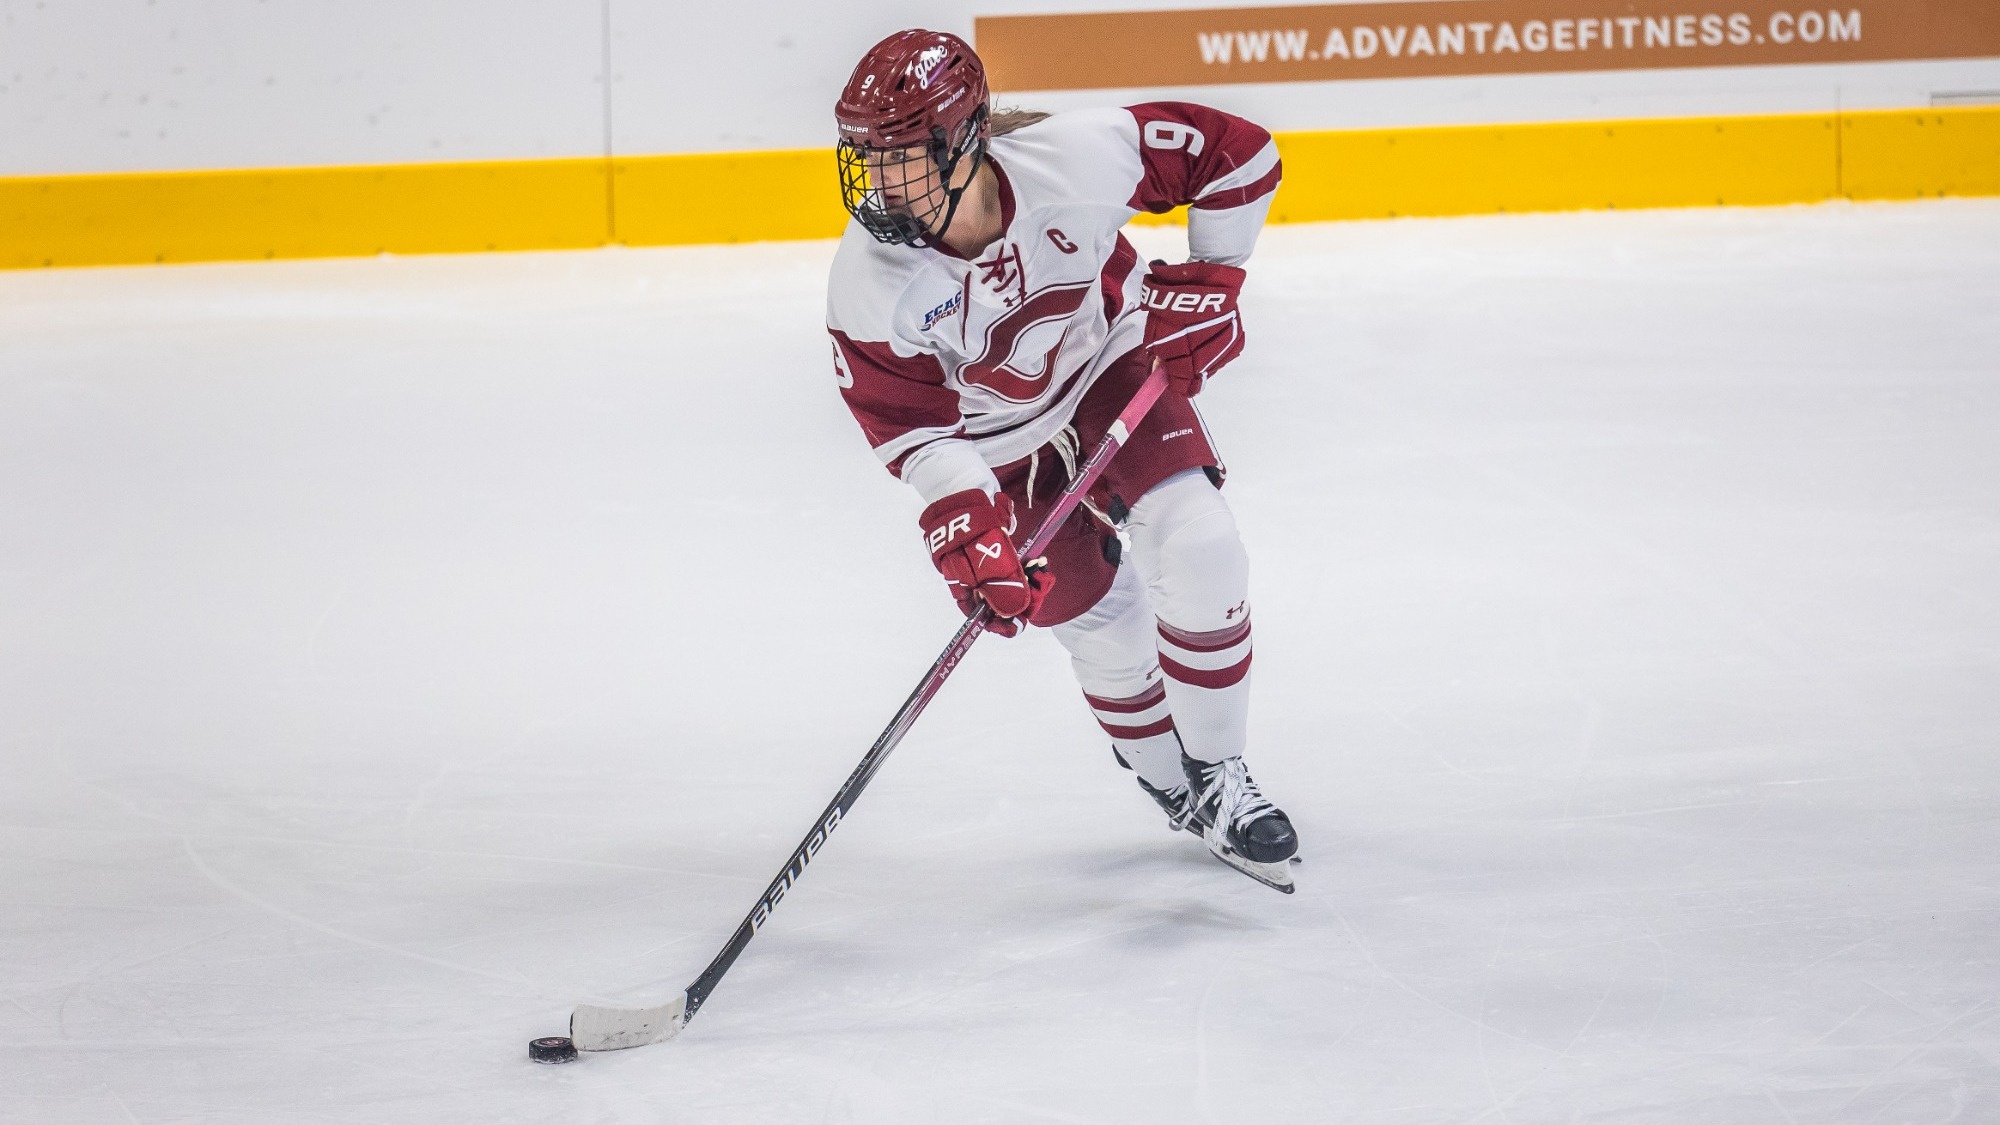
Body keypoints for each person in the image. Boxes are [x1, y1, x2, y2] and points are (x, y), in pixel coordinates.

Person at [826, 29, 1297, 883]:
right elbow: (913, 428)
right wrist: (964, 523)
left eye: (901, 157)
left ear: (965, 140)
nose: (879, 182)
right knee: (1101, 623)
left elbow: (1239, 153)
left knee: (1198, 543)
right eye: (866, 157)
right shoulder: (871, 282)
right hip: (996, 448)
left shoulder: (1074, 158)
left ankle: (1221, 771)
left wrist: (1217, 279)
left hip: (1106, 368)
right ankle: (1169, 781)